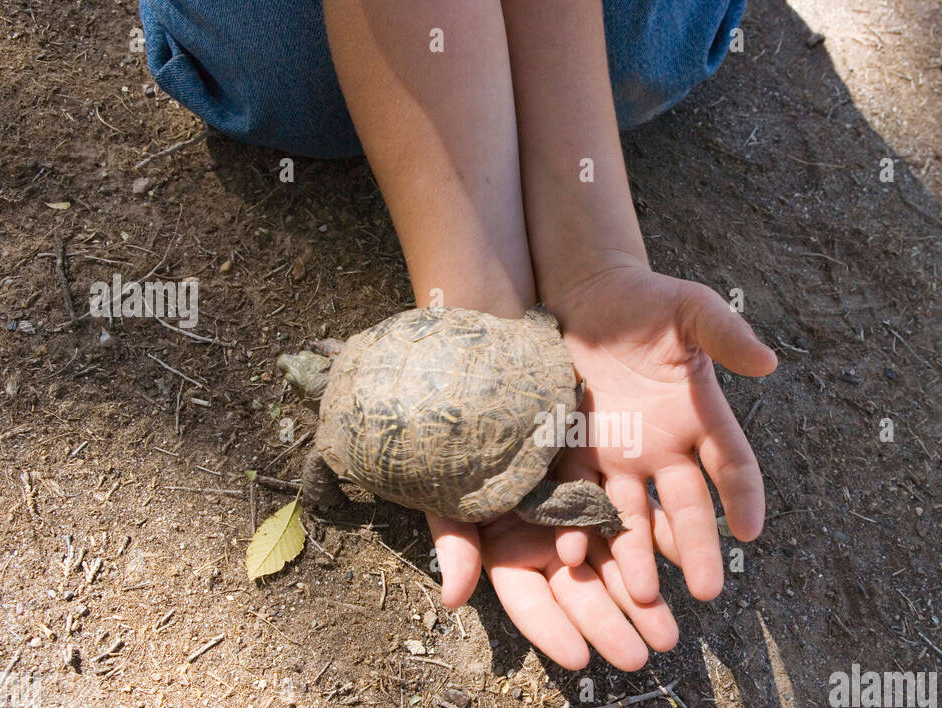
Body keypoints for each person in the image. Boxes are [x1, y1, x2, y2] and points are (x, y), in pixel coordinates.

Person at [138, 0, 778, 671]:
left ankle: (563, 499)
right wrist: (478, 292)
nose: (305, 365)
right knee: (287, 85)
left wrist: (594, 257)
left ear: (329, 371)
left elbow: (325, 473)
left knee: (639, 61)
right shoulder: (355, 365)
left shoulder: (333, 438)